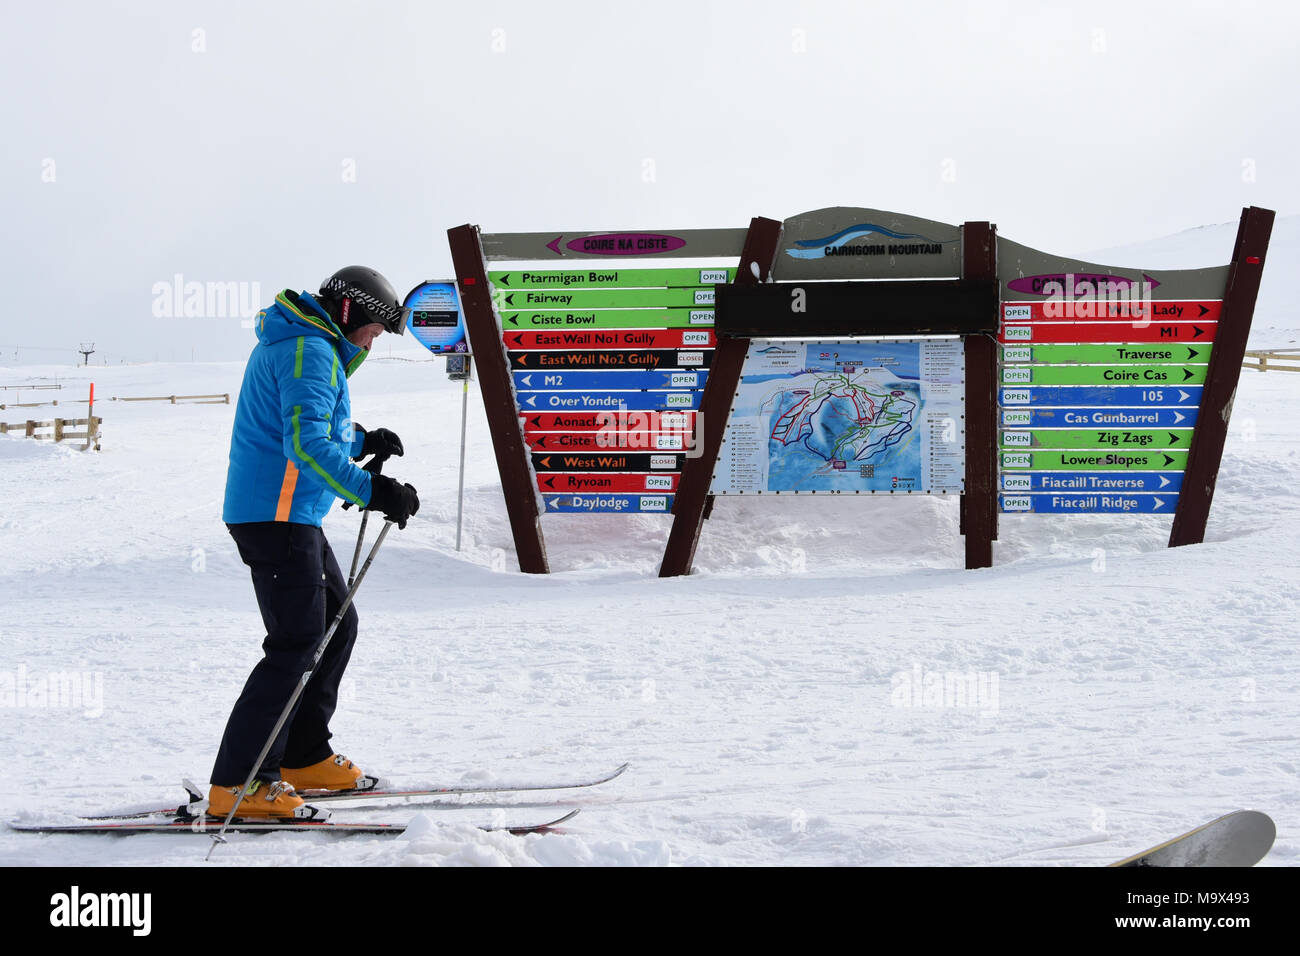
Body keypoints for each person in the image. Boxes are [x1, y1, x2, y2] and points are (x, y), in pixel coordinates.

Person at [209, 266, 421, 819]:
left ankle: (304, 756)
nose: (373, 341)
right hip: (274, 517)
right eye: (373, 330)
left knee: (334, 625)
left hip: (290, 514)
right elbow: (305, 443)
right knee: (296, 644)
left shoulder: (311, 345)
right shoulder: (309, 348)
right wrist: (373, 490)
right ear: (349, 312)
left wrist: (362, 439)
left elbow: (318, 428)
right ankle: (241, 783)